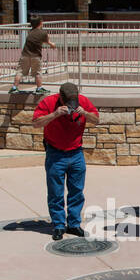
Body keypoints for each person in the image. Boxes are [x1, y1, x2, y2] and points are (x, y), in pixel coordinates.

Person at [32, 81, 99, 240]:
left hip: (76, 153)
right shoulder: (48, 102)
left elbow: (96, 120)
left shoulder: (82, 101)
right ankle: (58, 225)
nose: (71, 105)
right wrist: (55, 114)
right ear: (60, 98)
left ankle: (74, 224)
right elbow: (35, 123)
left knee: (76, 191)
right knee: (56, 192)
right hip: (56, 154)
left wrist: (85, 113)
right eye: (68, 102)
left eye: (73, 102)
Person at [15, 17, 54, 94]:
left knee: (20, 72)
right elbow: (47, 41)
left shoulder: (30, 32)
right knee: (37, 73)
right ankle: (39, 88)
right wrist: (52, 45)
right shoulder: (43, 33)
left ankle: (14, 87)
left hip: (25, 55)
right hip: (36, 56)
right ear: (40, 23)